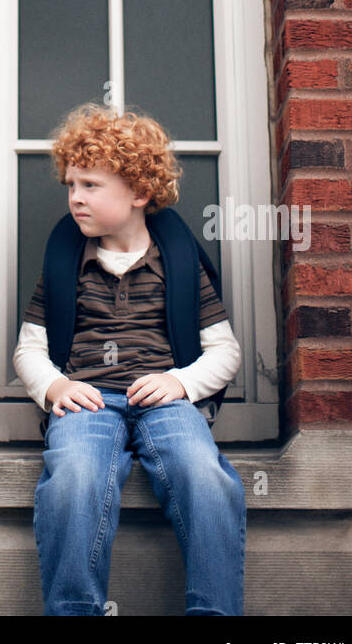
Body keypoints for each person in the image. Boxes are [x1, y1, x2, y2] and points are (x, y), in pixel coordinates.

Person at [13, 102, 246, 617]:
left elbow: (225, 351)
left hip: (164, 401)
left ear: (140, 193)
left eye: (91, 186)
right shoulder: (66, 261)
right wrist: (55, 389)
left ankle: (216, 612)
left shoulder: (177, 264)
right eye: (71, 185)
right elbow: (30, 348)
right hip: (88, 403)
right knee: (74, 476)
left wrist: (181, 384)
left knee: (203, 473)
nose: (75, 198)